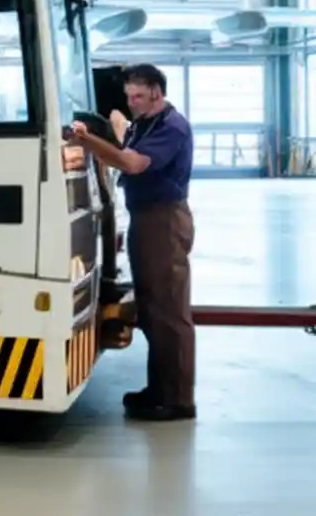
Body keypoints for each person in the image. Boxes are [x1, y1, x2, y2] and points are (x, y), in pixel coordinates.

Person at [67, 64, 196, 421]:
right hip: (146, 217)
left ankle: (178, 399)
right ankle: (160, 390)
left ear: (157, 91)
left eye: (138, 96)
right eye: (128, 97)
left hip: (164, 221)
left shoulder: (171, 127)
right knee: (153, 310)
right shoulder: (145, 123)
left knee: (169, 312)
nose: (132, 102)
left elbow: (131, 163)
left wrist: (85, 139)